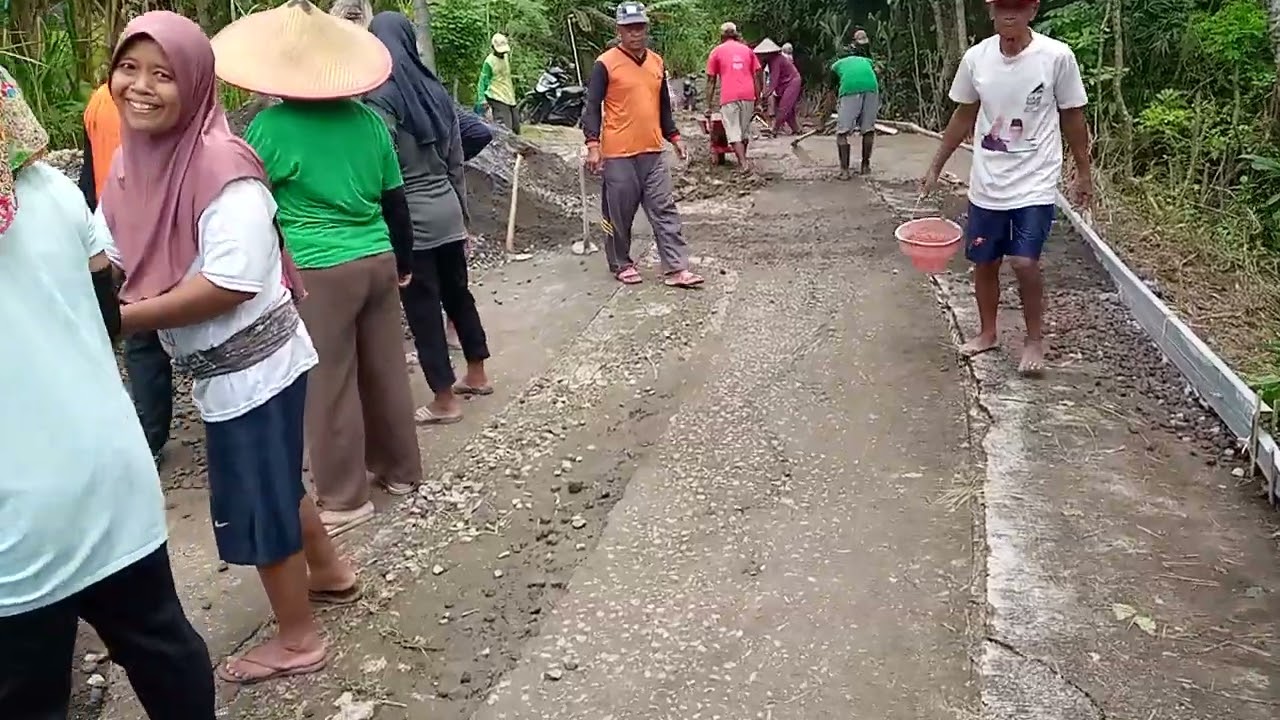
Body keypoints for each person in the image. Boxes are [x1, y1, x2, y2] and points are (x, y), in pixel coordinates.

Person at [100, 11, 361, 685]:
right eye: (130, 68)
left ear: (195, 83)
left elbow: (232, 282)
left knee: (255, 498)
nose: (141, 87)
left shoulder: (222, 166)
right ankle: (329, 571)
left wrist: (120, 319)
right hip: (226, 366)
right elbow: (108, 247)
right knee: (278, 481)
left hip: (255, 363)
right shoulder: (134, 164)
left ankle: (300, 639)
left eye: (163, 74)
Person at [0, 62, 216, 720]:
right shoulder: (53, 191)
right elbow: (105, 306)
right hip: (110, 470)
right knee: (161, 643)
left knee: (27, 695)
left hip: (14, 514)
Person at [217, 0, 425, 536]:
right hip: (377, 259)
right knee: (384, 370)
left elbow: (254, 201)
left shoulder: (271, 127)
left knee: (329, 383)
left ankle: (344, 497)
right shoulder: (370, 122)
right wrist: (403, 263)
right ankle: (401, 471)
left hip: (318, 269)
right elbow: (395, 202)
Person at [920, 0, 1092, 376]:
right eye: (1002, 7)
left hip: (1035, 179)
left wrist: (1084, 171)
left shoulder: (1056, 57)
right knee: (984, 262)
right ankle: (987, 333)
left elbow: (1073, 115)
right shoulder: (977, 59)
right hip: (988, 180)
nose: (1008, 15)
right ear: (991, 11)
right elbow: (963, 113)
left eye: (1017, 7)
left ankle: (1033, 340)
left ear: (1033, 10)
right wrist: (936, 165)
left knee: (1025, 261)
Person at [367, 11, 494, 424]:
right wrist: (464, 219)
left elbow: (378, 166)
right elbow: (459, 158)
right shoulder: (435, 91)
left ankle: (444, 398)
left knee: (422, 310)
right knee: (459, 295)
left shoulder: (380, 98)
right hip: (448, 213)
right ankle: (476, 373)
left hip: (412, 221)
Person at [79, 80, 175, 462]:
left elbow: (88, 173)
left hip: (114, 219)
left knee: (141, 337)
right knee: (150, 333)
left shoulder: (99, 101)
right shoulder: (161, 99)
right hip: (150, 216)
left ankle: (150, 435)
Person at [583, 2, 703, 288]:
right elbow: (592, 105)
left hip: (652, 150)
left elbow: (662, 106)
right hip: (618, 153)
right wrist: (592, 144)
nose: (635, 33)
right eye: (629, 28)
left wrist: (674, 136)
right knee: (618, 213)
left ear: (646, 28)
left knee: (664, 208)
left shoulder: (656, 62)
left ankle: (676, 267)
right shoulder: (606, 63)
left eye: (640, 27)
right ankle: (620, 262)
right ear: (619, 30)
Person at [704, 21, 761, 172]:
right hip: (749, 95)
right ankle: (743, 159)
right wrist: (759, 100)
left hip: (729, 96)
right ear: (735, 34)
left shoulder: (716, 51)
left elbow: (711, 80)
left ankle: (743, 164)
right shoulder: (747, 50)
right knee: (744, 131)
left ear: (721, 36)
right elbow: (757, 76)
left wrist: (708, 105)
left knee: (733, 132)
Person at [831, 48, 879, 178]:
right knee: (868, 129)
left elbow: (831, 93)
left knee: (842, 133)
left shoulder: (836, 66)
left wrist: (822, 119)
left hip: (850, 88)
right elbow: (877, 71)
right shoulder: (867, 60)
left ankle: (845, 171)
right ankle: (865, 166)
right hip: (872, 88)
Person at [755, 38, 802, 136]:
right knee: (789, 109)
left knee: (784, 107)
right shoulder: (773, 61)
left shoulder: (776, 60)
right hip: (788, 82)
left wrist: (765, 96)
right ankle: (796, 129)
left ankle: (775, 129)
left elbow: (773, 81)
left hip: (792, 82)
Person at [475, 33, 520, 133]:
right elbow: (482, 81)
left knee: (516, 126)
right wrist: (482, 99)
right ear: (493, 48)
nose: (502, 53)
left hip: (508, 96)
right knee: (504, 128)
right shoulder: (489, 62)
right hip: (496, 96)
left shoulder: (506, 57)